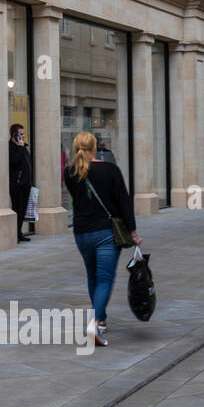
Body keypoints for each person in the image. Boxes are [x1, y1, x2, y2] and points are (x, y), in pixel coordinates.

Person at [63, 131, 140, 347]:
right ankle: (94, 323)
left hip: (81, 233)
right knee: (104, 278)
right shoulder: (110, 170)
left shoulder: (69, 172)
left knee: (93, 276)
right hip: (105, 232)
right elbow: (124, 202)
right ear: (95, 148)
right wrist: (132, 231)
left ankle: (101, 319)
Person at [8, 124, 32, 243]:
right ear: (14, 135)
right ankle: (15, 234)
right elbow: (14, 161)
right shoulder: (11, 147)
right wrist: (20, 147)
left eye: (23, 134)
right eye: (21, 134)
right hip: (16, 184)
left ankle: (19, 232)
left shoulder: (24, 147)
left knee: (23, 210)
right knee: (17, 208)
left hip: (26, 183)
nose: (23, 136)